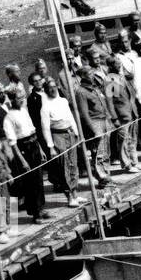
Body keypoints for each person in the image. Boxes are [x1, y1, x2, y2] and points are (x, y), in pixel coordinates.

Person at [3, 90, 47, 223]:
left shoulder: (24, 110)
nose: (21, 100)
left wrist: (40, 149)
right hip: (23, 149)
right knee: (30, 181)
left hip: (33, 145)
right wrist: (23, 161)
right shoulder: (8, 118)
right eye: (18, 98)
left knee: (38, 178)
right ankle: (35, 213)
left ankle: (41, 208)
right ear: (11, 100)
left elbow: (32, 130)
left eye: (22, 97)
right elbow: (13, 143)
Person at [38, 77, 84, 206]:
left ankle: (75, 193)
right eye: (49, 88)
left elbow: (70, 118)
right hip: (58, 136)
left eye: (54, 87)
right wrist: (51, 147)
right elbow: (45, 128)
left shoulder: (63, 101)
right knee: (64, 165)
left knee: (73, 164)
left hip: (70, 134)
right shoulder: (45, 107)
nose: (52, 90)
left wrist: (77, 133)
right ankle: (69, 196)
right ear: (46, 91)